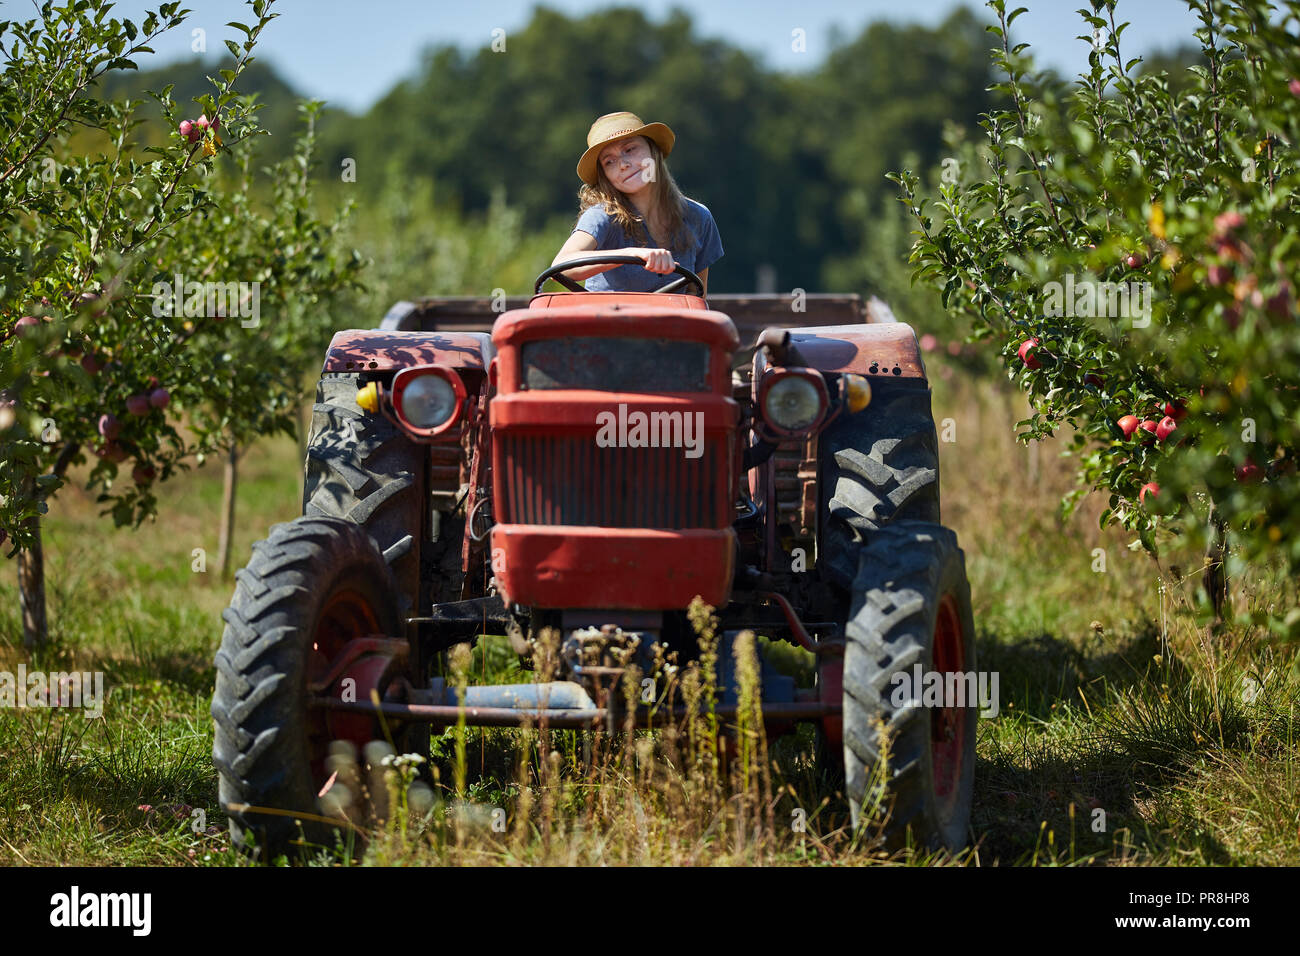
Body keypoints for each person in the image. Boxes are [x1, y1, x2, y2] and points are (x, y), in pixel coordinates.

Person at [550, 111, 723, 295]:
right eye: (609, 161)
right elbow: (561, 267)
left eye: (630, 149)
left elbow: (697, 296)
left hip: (669, 322)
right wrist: (630, 254)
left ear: (653, 151)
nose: (623, 164)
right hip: (607, 321)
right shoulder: (601, 217)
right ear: (606, 177)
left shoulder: (698, 217)